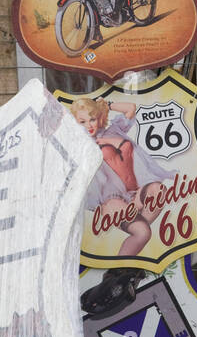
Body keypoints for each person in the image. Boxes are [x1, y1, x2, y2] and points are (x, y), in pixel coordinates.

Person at [72, 96, 173, 257]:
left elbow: (130, 108)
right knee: (143, 233)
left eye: (92, 119)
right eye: (82, 122)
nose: (89, 125)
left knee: (158, 190)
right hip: (112, 200)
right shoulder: (79, 148)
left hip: (134, 193)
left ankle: (134, 236)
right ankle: (119, 268)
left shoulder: (113, 131)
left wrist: (106, 105)